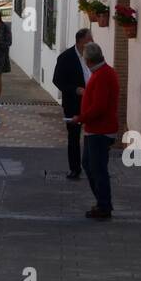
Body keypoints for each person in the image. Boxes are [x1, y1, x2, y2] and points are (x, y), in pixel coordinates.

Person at [72, 41, 119, 220]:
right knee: (90, 165)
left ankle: (104, 205)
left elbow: (99, 107)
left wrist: (80, 118)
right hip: (96, 130)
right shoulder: (103, 73)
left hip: (100, 130)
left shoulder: (102, 76)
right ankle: (102, 202)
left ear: (88, 61)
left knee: (97, 169)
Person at [52, 28, 94, 181]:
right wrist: (75, 90)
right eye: (88, 41)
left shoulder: (93, 55)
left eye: (92, 41)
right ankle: (75, 168)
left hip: (92, 102)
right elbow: (57, 80)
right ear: (79, 42)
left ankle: (93, 166)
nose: (91, 44)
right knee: (74, 137)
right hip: (74, 103)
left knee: (94, 135)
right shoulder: (66, 57)